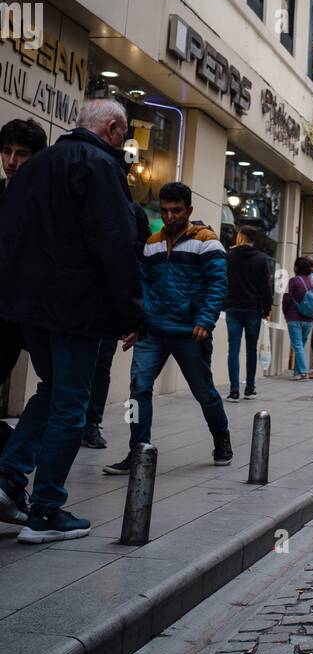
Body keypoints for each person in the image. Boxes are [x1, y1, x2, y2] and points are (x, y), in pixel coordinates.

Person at [0, 101, 142, 542]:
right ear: (114, 128)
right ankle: (46, 510)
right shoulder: (100, 166)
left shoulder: (38, 166)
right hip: (76, 309)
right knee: (70, 403)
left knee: (52, 389)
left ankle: (8, 479)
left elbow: (11, 236)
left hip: (30, 309)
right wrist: (131, 312)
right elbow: (115, 244)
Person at [103, 182, 232, 474]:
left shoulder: (207, 241)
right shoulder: (152, 243)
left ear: (189, 210)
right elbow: (143, 284)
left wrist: (205, 320)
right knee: (138, 390)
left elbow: (218, 284)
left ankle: (221, 437)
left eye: (176, 210)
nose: (170, 216)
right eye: (164, 210)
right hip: (153, 331)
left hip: (189, 331)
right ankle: (138, 450)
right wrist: (138, 322)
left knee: (204, 391)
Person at [81, 203, 153, 449]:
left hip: (109, 304)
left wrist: (132, 313)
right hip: (76, 300)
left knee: (101, 364)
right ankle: (74, 421)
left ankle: (91, 423)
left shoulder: (132, 211)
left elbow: (138, 262)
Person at [0, 117, 48, 453]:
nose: (11, 161)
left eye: (21, 153)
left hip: (26, 311)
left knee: (57, 384)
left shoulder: (43, 202)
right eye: (6, 151)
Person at [224, 225, 273, 400]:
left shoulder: (229, 256)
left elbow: (223, 281)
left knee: (233, 350)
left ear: (240, 236)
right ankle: (250, 388)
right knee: (251, 349)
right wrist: (267, 309)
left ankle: (234, 390)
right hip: (254, 308)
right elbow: (266, 287)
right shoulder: (261, 259)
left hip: (233, 307)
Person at [281, 256, 313, 380]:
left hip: (294, 317)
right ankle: (297, 372)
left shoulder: (294, 281)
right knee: (301, 345)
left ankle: (303, 372)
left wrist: (285, 312)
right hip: (308, 319)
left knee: (297, 345)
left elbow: (287, 298)